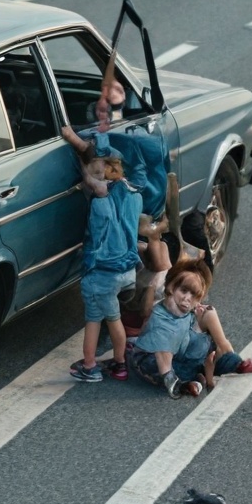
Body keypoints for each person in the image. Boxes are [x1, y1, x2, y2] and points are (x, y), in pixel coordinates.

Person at [127, 259, 252, 398]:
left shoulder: (191, 310)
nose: (187, 298)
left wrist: (199, 318)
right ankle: (192, 379)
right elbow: (163, 355)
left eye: (193, 295)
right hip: (158, 361)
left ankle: (229, 362)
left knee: (208, 317)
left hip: (182, 352)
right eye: (183, 290)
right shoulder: (162, 315)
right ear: (172, 287)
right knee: (175, 366)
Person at [68, 147, 141, 382]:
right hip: (127, 269)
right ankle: (116, 362)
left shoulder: (101, 203)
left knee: (99, 319)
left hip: (103, 272)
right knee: (107, 314)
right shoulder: (134, 194)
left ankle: (93, 366)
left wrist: (89, 184)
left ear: (109, 169)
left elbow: (98, 235)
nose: (93, 177)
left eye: (97, 171)